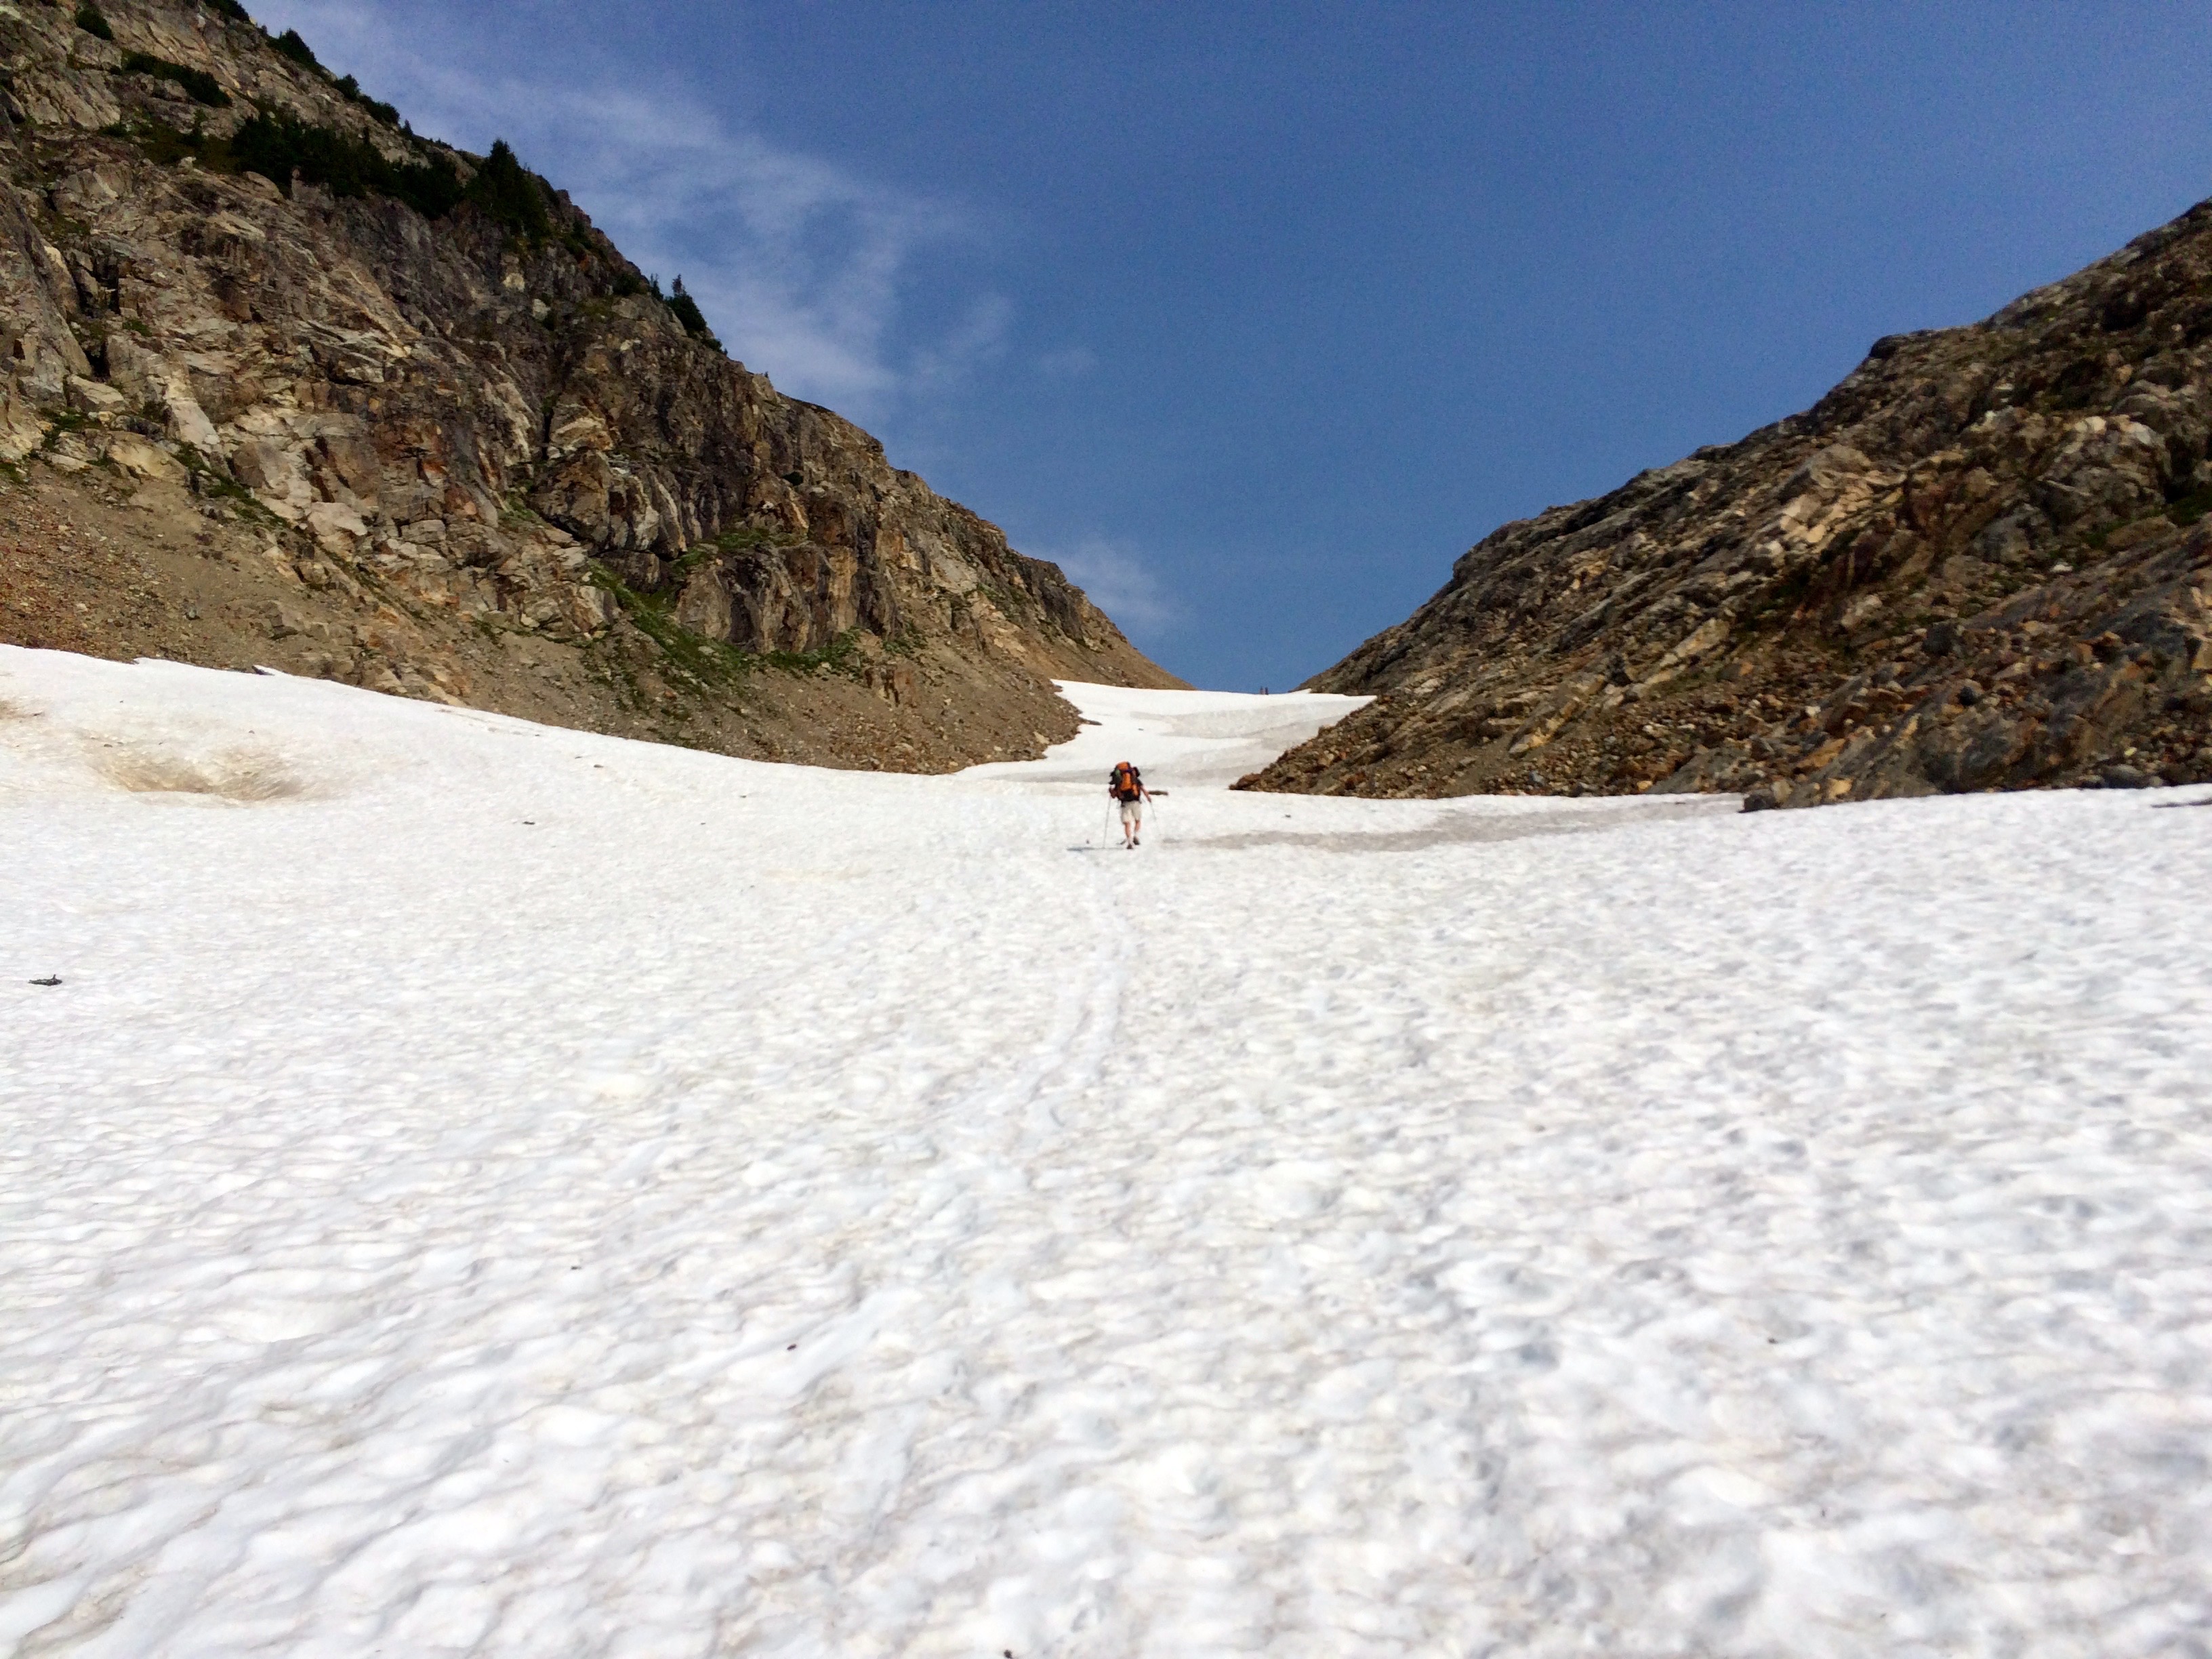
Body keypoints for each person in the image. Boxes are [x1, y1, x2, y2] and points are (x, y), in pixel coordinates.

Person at [1107, 759, 1150, 849]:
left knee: (1127, 824)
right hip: (1136, 802)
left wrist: (1111, 792)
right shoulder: (1134, 779)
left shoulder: (1119, 782)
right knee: (1138, 820)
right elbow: (1143, 789)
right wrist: (1148, 797)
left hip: (1125, 804)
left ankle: (1130, 843)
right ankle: (1136, 836)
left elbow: (1114, 796)